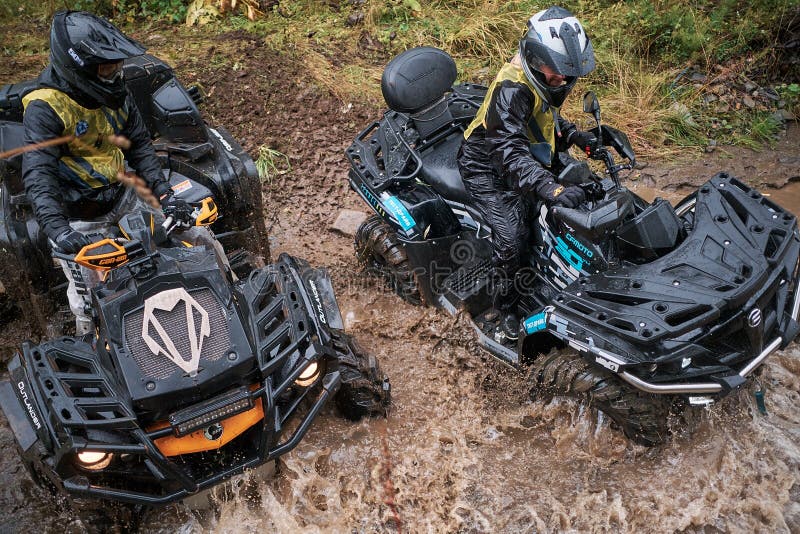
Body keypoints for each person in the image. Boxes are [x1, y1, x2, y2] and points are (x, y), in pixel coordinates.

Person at [22, 11, 224, 335]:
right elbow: (38, 173)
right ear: (79, 68)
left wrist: (167, 195)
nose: (114, 73)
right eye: (106, 68)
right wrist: (59, 231)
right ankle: (94, 349)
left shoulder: (115, 91)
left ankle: (233, 304)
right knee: (87, 296)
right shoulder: (46, 108)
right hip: (79, 215)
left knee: (200, 237)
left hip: (123, 191)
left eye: (116, 65)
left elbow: (140, 145)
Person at [457, 6, 599, 341]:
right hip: (487, 167)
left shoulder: (544, 78)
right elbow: (508, 148)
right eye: (558, 71)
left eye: (567, 73)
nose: (563, 79)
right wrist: (552, 189)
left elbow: (543, 115)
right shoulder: (513, 88)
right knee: (512, 237)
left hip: (525, 157)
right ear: (536, 58)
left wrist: (575, 135)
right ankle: (501, 309)